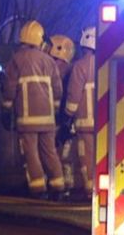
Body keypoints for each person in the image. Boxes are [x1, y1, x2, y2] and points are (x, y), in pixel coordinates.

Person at [2, 20, 66, 198]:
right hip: (48, 120)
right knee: (50, 152)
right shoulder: (48, 60)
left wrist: (6, 109)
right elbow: (57, 89)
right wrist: (56, 112)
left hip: (27, 119)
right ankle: (58, 187)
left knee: (31, 153)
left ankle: (38, 190)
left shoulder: (16, 59)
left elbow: (9, 88)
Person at [62, 27, 96, 199]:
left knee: (86, 159)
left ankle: (91, 192)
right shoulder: (105, 63)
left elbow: (74, 96)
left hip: (85, 124)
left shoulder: (80, 66)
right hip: (106, 124)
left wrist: (67, 114)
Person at [48, 34, 76, 191]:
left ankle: (66, 188)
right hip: (57, 121)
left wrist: (66, 121)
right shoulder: (67, 71)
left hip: (64, 122)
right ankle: (63, 187)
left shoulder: (67, 73)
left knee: (64, 157)